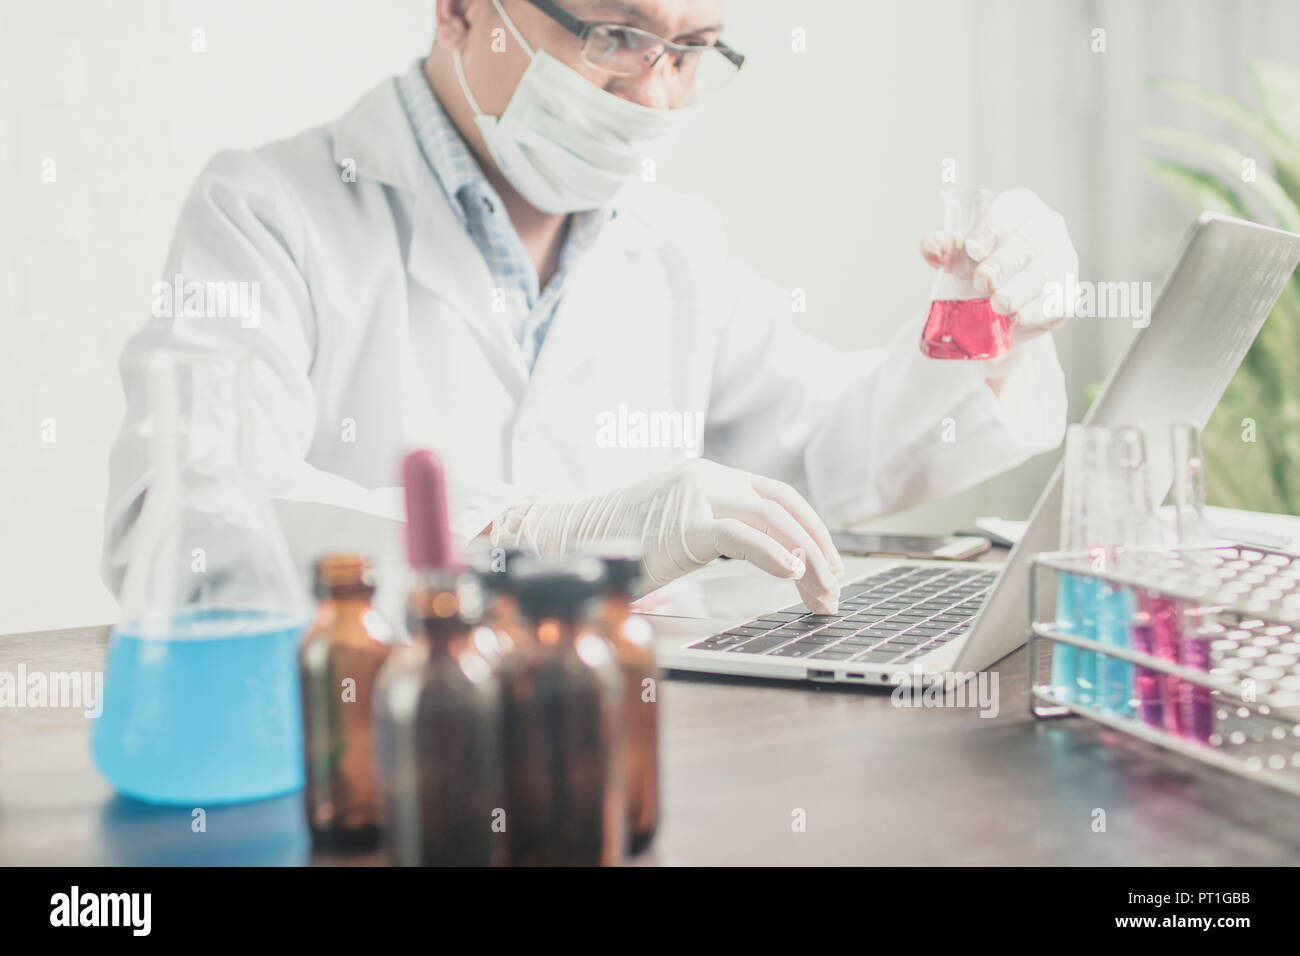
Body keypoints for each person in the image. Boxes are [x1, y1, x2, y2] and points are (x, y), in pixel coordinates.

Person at [103, 0, 1074, 614]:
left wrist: (979, 325)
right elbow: (182, 530)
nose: (653, 96)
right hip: (378, 761)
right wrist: (545, 533)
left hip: (608, 746)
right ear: (458, 11)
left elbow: (827, 455)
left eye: (690, 50)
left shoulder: (674, 240)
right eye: (615, 35)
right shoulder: (268, 211)